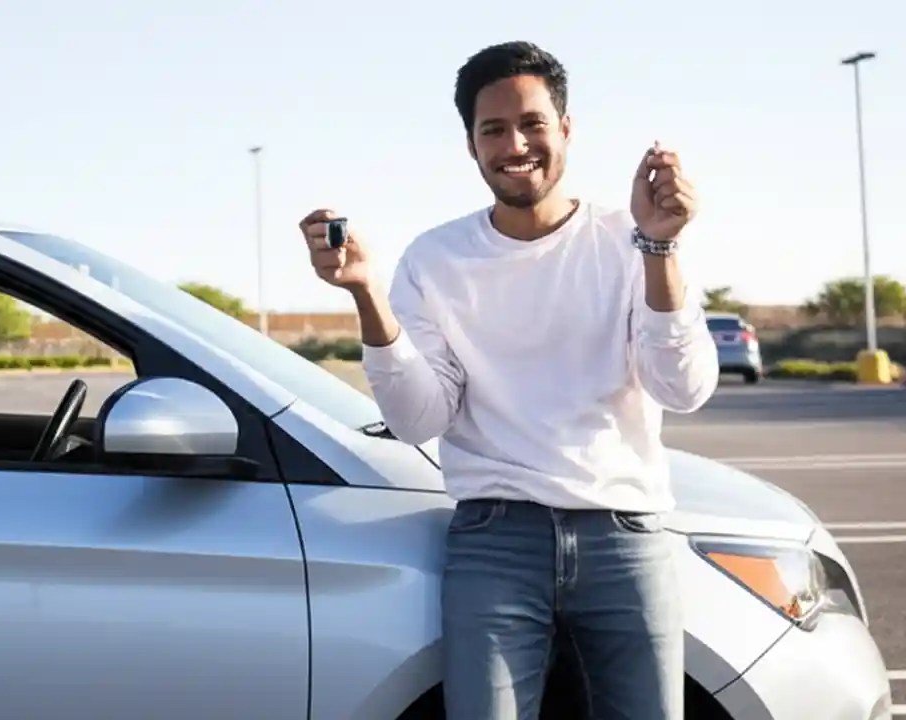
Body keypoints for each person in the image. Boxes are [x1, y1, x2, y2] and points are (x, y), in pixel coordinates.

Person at [298, 40, 719, 719]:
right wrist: (366, 294)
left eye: (532, 124)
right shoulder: (435, 260)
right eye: (493, 129)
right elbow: (419, 419)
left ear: (566, 130)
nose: (515, 144)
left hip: (625, 535)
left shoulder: (629, 239)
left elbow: (684, 389)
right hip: (495, 541)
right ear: (470, 144)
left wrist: (661, 246)